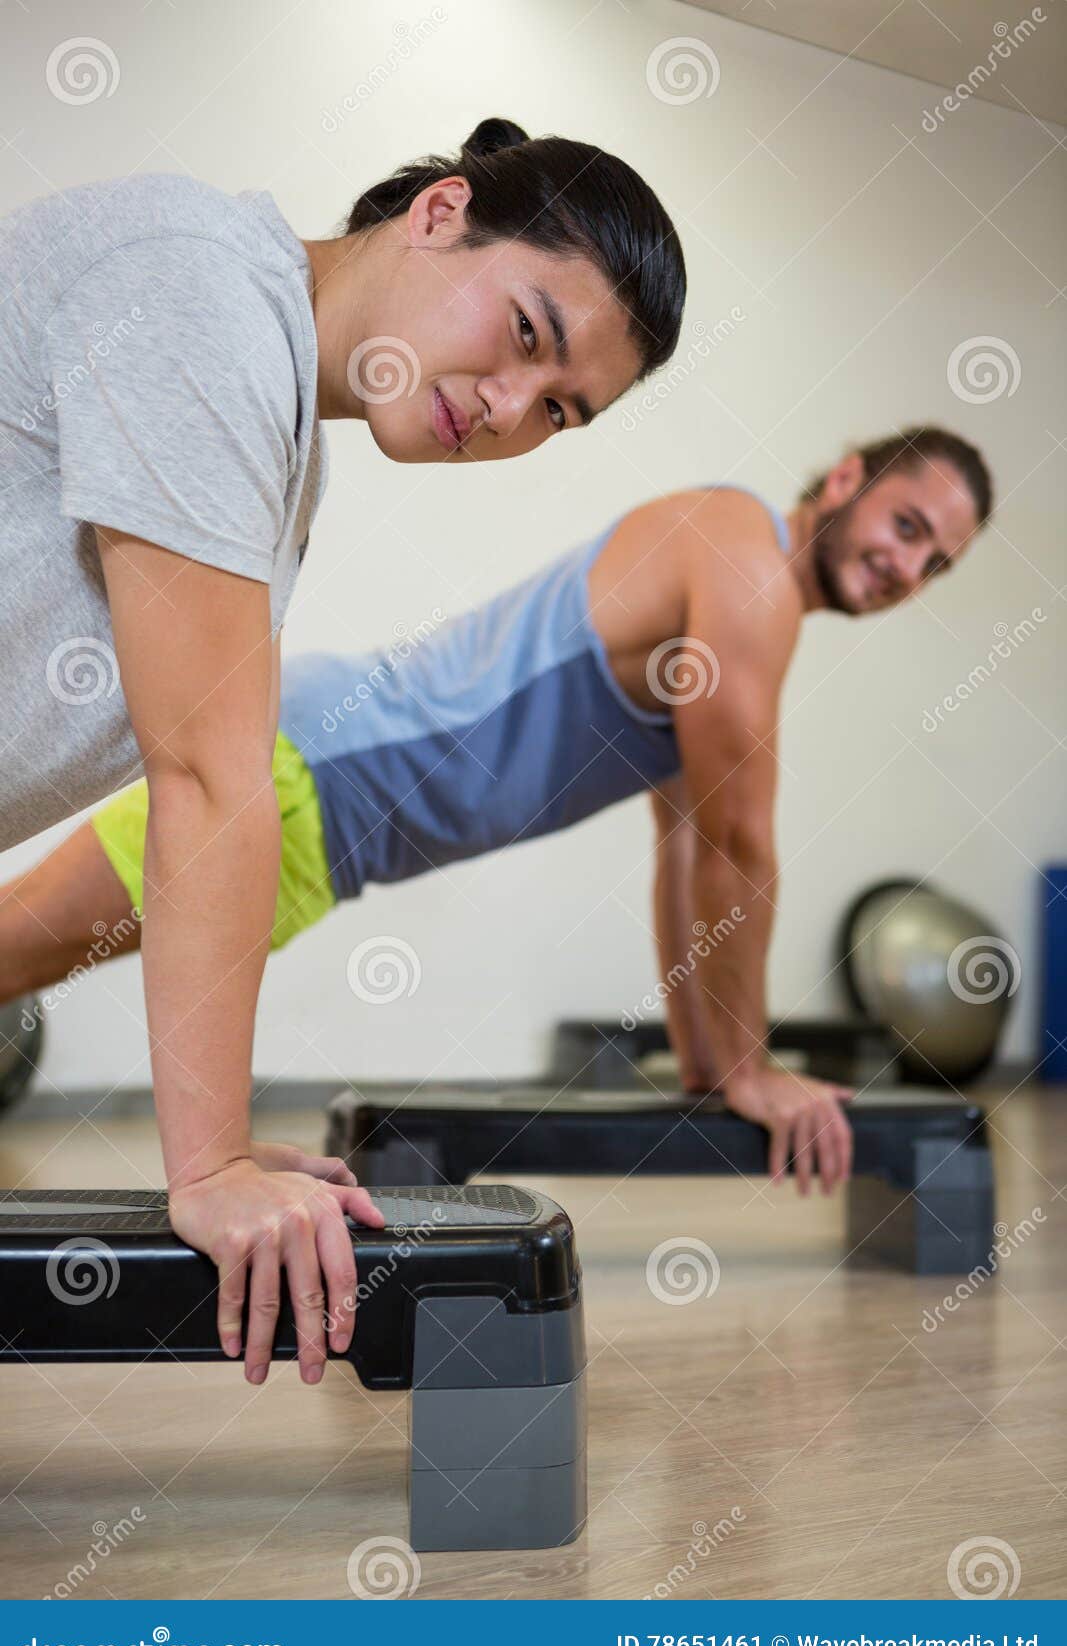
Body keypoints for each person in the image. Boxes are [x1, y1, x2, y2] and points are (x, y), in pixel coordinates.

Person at [0, 118, 686, 1385]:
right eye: (527, 336)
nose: (509, 411)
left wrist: (229, 1144)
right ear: (439, 212)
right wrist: (209, 1168)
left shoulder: (285, 443)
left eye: (559, 412)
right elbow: (207, 776)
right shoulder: (198, 288)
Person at [3, 425, 991, 1203]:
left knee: (26, 953)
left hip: (333, 819)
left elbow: (686, 843)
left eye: (936, 563)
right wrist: (750, 1068)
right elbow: (740, 847)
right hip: (311, 775)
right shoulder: (746, 564)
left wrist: (709, 1060)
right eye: (906, 526)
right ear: (846, 477)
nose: (909, 568)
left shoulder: (738, 587)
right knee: (16, 950)